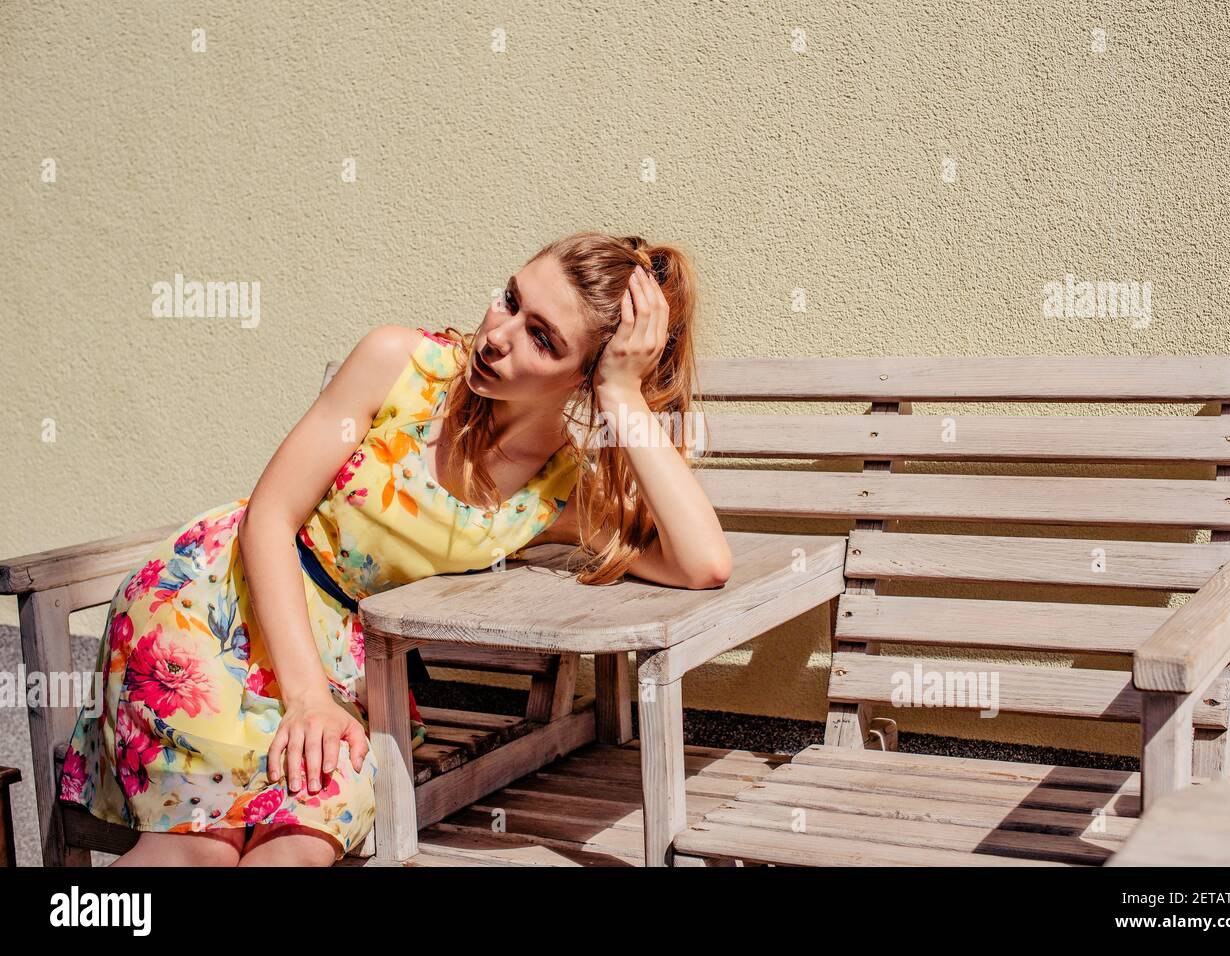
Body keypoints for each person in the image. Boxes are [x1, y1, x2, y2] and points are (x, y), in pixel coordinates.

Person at [57, 231, 733, 866]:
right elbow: (270, 515)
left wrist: (623, 395)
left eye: (542, 340)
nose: (498, 336)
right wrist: (307, 699)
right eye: (509, 298)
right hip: (217, 603)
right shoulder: (401, 364)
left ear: (584, 377)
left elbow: (701, 564)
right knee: (205, 844)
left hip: (349, 667)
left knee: (311, 832)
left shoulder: (553, 492)